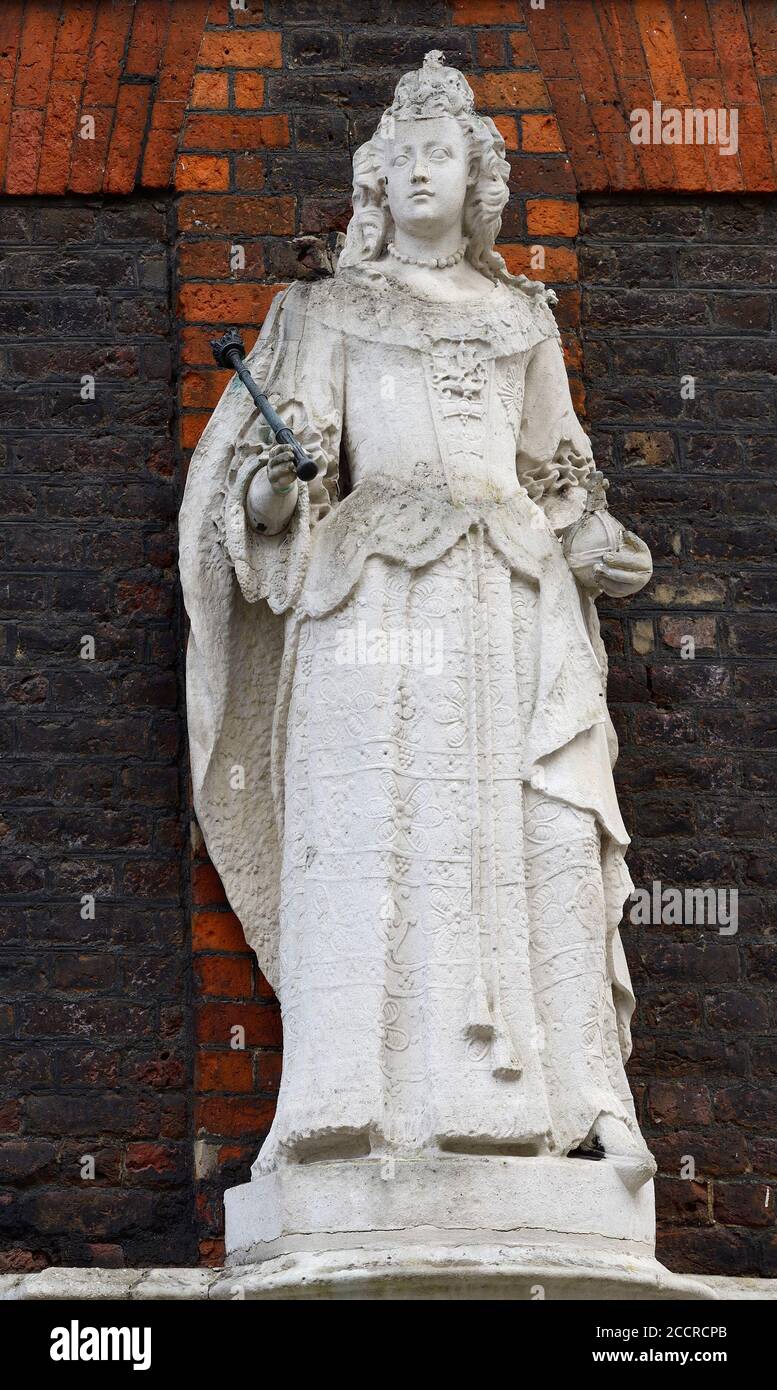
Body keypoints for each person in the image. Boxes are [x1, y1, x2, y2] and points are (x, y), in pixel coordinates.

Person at [179, 52, 655, 1187]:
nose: (424, 172)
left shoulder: (521, 319)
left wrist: (587, 532)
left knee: (525, 827)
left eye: (446, 153)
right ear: (376, 185)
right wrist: (276, 488)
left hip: (508, 598)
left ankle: (549, 1104)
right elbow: (273, 477)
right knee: (374, 828)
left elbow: (558, 473)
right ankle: (351, 1107)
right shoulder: (326, 309)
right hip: (372, 600)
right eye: (405, 158)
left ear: (480, 179)